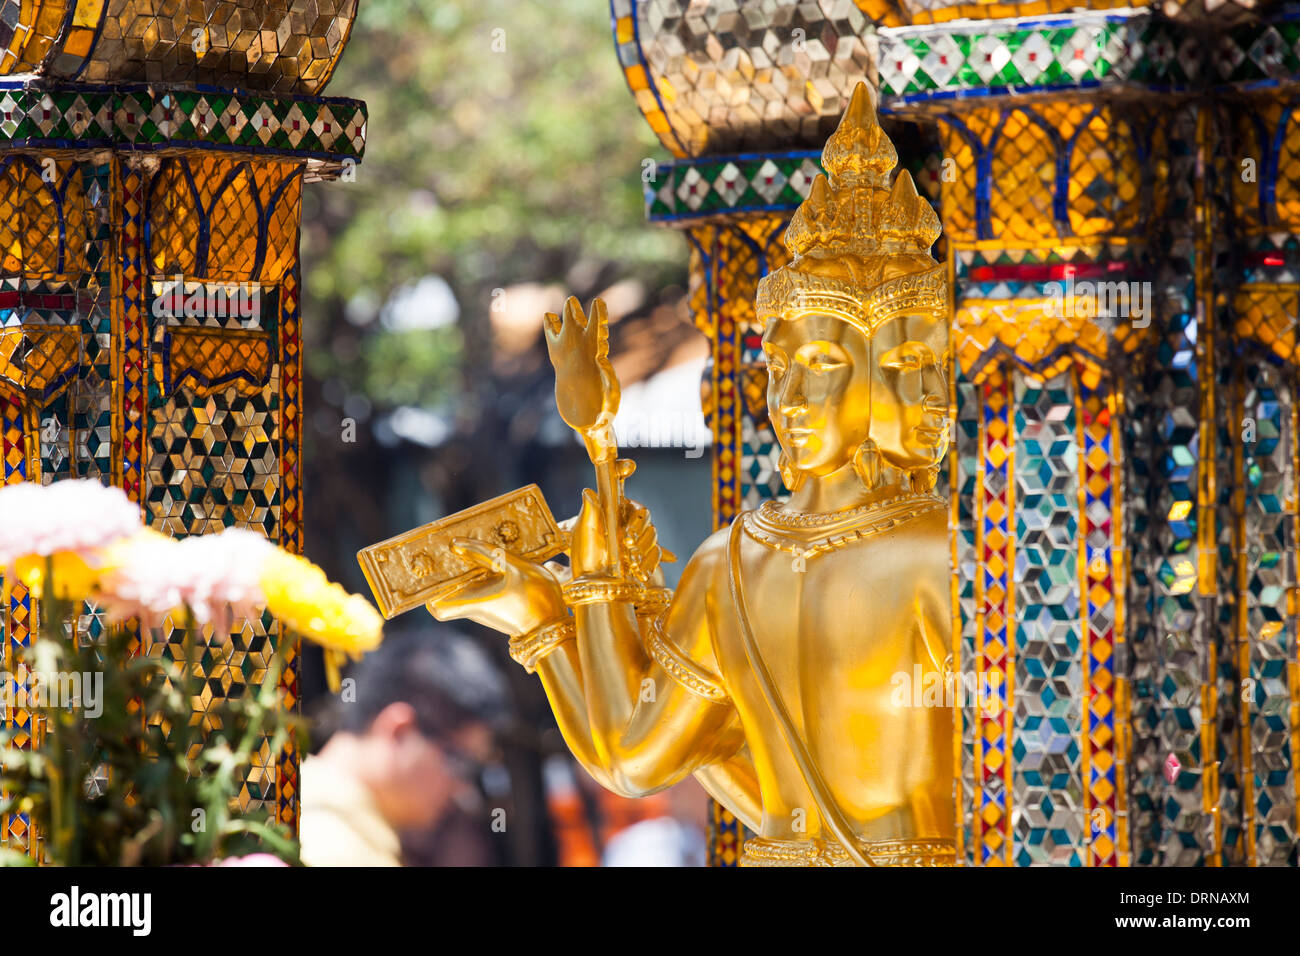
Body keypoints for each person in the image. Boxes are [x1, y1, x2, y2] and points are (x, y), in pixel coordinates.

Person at [300, 630, 498, 866]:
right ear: (399, 731)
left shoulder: (296, 802)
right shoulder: (331, 846)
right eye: (459, 761)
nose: (462, 788)